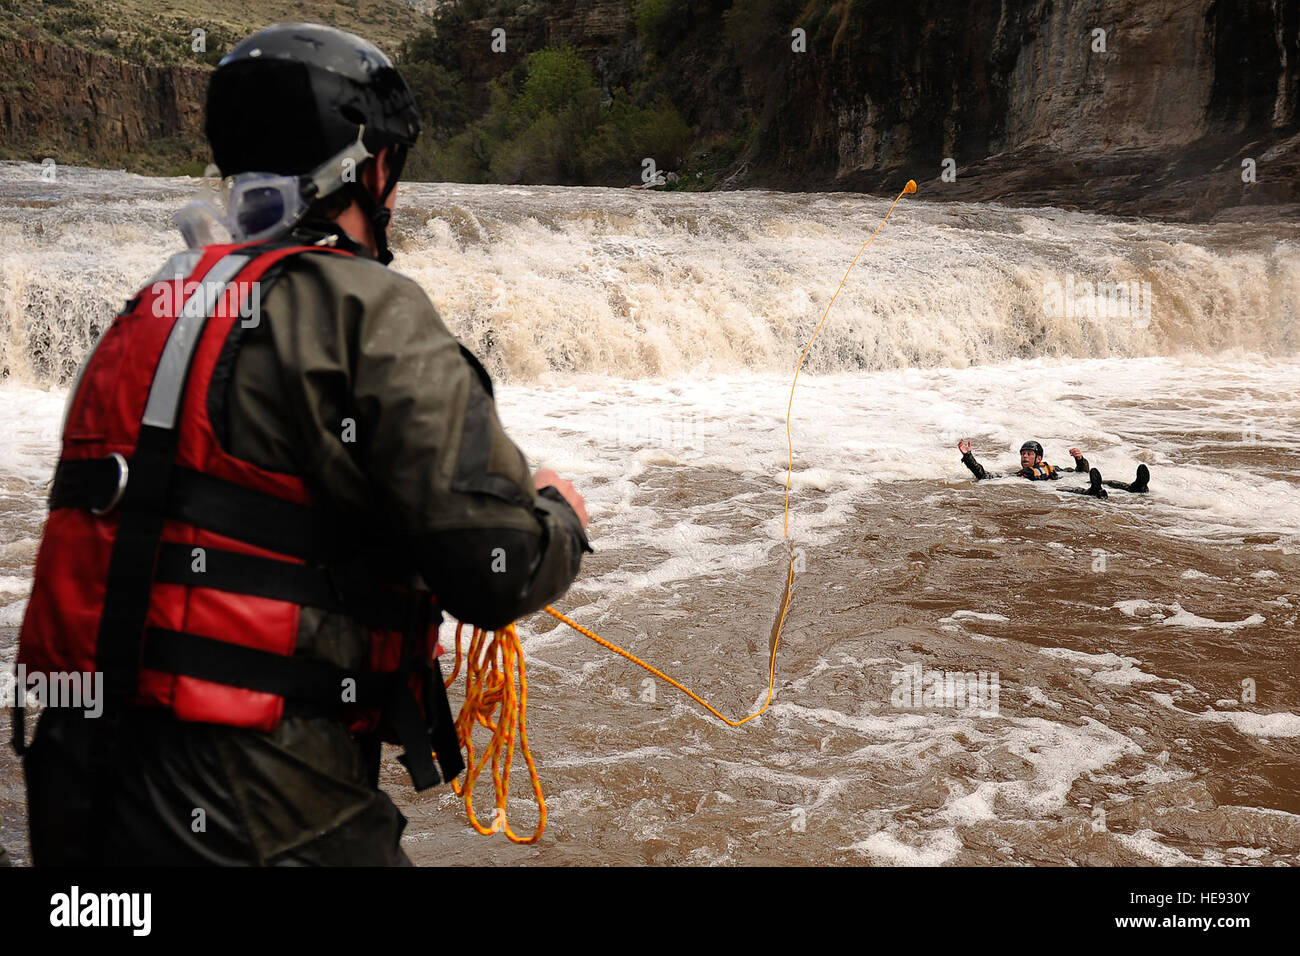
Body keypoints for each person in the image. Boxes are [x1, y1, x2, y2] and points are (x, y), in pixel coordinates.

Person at [14, 23, 591, 866]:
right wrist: (559, 517)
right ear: (372, 165)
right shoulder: (367, 308)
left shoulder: (150, 310)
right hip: (256, 793)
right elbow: (495, 568)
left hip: (77, 778)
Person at [958, 438, 1147, 498]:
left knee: (1105, 481)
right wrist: (968, 456)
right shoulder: (1020, 475)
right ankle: (1093, 492)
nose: (1024, 456)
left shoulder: (1052, 467)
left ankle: (1134, 486)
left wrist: (1080, 460)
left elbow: (1080, 471)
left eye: (1029, 454)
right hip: (1053, 489)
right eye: (1022, 453)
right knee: (1071, 489)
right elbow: (984, 475)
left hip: (1066, 480)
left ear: (1038, 458)